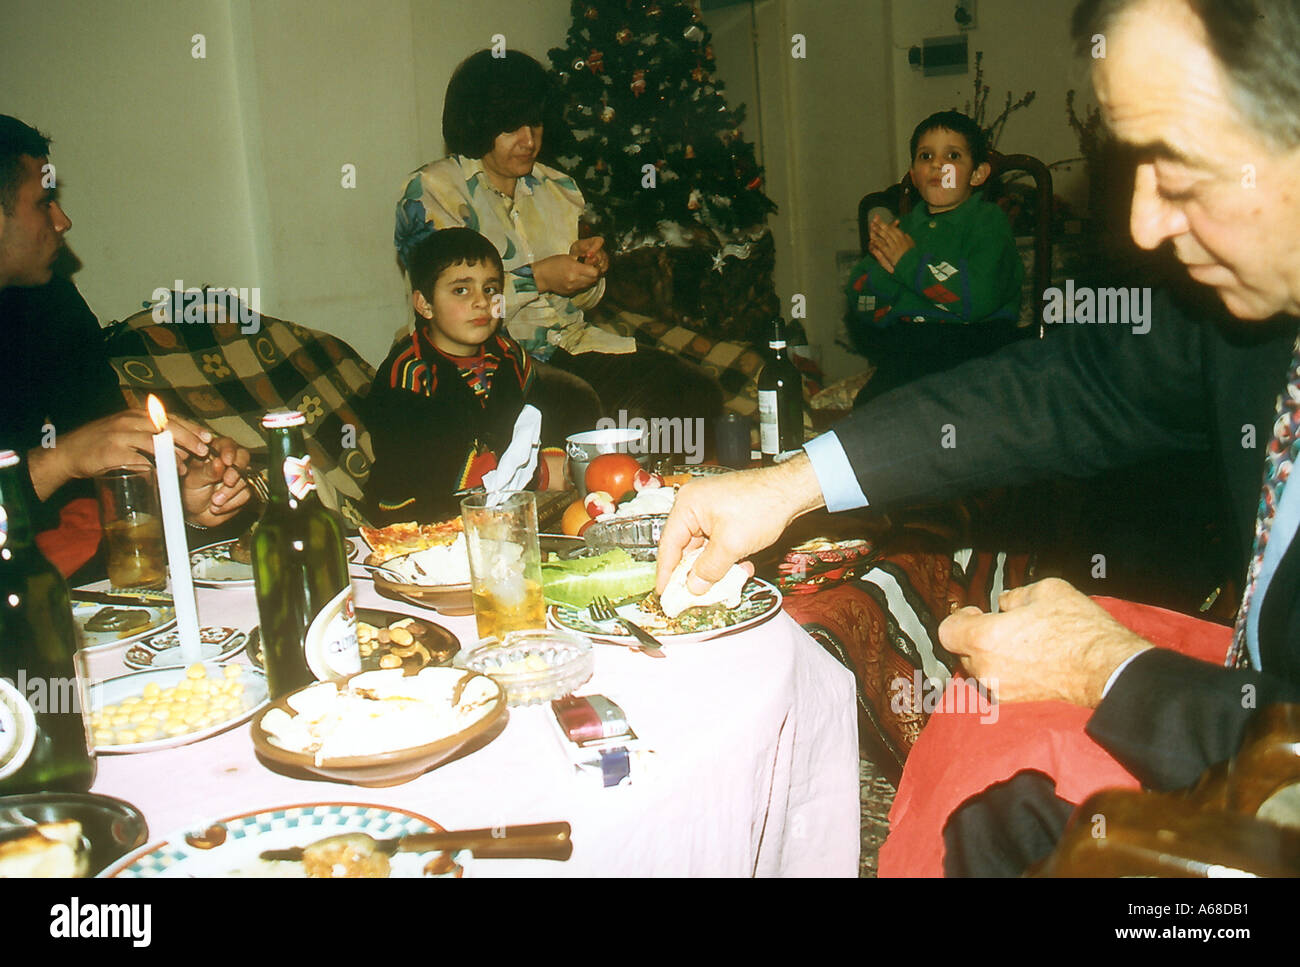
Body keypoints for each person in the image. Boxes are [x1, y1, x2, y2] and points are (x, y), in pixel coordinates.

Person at [656, 0, 1300, 875]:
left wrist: (1110, 668)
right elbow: (1067, 385)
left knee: (999, 815)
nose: (1146, 223)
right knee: (978, 727)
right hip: (1249, 695)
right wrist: (788, 481)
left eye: (1181, 165)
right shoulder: (1249, 316)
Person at [394, 48, 724, 442]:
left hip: (571, 345)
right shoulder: (433, 190)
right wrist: (540, 278)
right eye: (511, 127)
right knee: (591, 410)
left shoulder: (560, 188)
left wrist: (589, 271)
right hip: (482, 360)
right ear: (478, 123)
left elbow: (582, 303)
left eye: (534, 123)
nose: (528, 140)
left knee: (696, 395)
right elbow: (450, 302)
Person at [0, 115, 251, 576]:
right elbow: (73, 457)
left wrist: (184, 498)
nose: (63, 221)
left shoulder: (50, 301)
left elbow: (107, 462)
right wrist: (60, 461)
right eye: (44, 203)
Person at [363, 227, 573, 525]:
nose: (482, 302)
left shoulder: (508, 354)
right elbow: (417, 461)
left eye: (490, 289)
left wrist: (553, 458)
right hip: (421, 508)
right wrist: (518, 468)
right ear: (425, 304)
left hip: (503, 497)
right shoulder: (409, 371)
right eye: (462, 290)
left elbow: (541, 410)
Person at [847, 110, 1024, 405]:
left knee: (945, 408)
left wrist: (907, 266)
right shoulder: (903, 229)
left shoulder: (987, 222)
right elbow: (861, 302)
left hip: (974, 345)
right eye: (925, 156)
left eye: (953, 156)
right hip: (910, 346)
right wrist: (889, 268)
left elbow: (976, 299)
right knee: (870, 409)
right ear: (914, 175)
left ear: (978, 173)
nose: (938, 165)